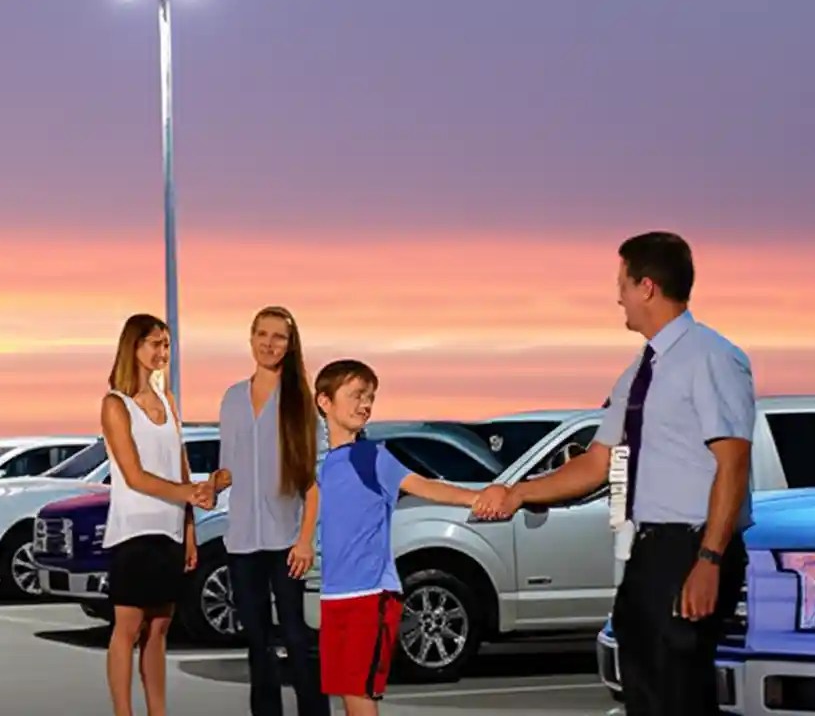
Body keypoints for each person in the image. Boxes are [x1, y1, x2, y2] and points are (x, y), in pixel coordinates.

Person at [474, 231, 755, 716]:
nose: (617, 297)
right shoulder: (640, 371)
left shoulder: (712, 357)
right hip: (650, 553)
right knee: (643, 693)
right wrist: (518, 493)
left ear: (647, 287)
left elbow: (733, 462)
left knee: (679, 696)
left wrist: (709, 559)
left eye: (622, 284)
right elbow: (597, 462)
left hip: (691, 549)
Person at [312, 358, 482, 716]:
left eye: (370, 397)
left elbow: (425, 486)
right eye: (357, 395)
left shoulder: (372, 456)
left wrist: (478, 498)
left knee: (360, 694)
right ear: (324, 401)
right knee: (347, 694)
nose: (365, 404)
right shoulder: (328, 465)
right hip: (334, 595)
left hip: (369, 596)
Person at [203, 306, 327, 716]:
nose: (269, 344)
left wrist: (305, 541)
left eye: (279, 337)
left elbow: (314, 483)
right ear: (251, 338)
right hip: (242, 541)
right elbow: (228, 469)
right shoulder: (232, 399)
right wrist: (211, 484)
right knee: (257, 641)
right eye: (263, 334)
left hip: (287, 542)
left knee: (295, 636)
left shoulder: (301, 405)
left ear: (290, 346)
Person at [99, 313, 213, 716]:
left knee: (160, 627)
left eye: (166, 344)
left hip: (170, 530)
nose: (162, 352)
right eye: (154, 344)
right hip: (134, 530)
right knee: (128, 627)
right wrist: (189, 493)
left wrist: (189, 528)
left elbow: (180, 465)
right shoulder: (116, 404)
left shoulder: (169, 399)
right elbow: (133, 475)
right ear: (133, 347)